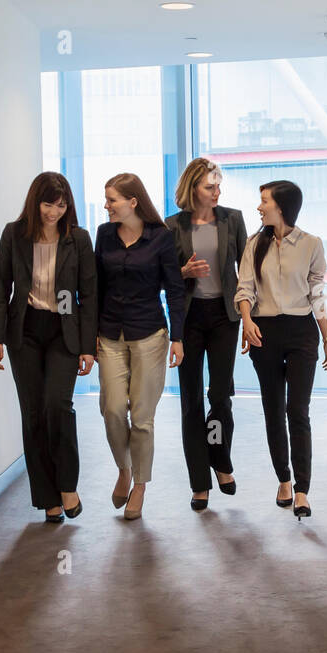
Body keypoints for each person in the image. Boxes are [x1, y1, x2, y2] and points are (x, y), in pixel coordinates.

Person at [0, 172, 96, 524]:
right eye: (48, 203)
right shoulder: (14, 234)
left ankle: (67, 486)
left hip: (64, 329)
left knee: (57, 405)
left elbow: (89, 294)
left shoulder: (78, 239)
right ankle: (47, 497)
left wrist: (88, 345)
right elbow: (1, 286)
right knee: (33, 413)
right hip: (26, 330)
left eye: (61, 205)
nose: (54, 212)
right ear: (36, 202)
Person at [235, 180, 327, 520]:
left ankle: (303, 489)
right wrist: (246, 322)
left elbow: (317, 295)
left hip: (301, 331)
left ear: (282, 207)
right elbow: (244, 287)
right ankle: (284, 479)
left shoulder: (311, 244)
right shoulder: (254, 244)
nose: (259, 207)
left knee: (298, 409)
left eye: (264, 202)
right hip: (264, 331)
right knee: (273, 408)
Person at [94, 172, 185, 520]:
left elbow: (174, 289)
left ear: (133, 202)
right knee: (113, 409)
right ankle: (124, 468)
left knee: (142, 418)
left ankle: (141, 486)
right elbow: (95, 288)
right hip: (110, 334)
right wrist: (90, 335)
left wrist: (178, 337)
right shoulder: (104, 235)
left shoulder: (161, 238)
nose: (107, 206)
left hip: (150, 335)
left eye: (112, 200)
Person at [165, 158, 247, 511]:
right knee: (190, 402)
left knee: (220, 395)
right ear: (192, 189)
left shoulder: (233, 219)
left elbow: (246, 274)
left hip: (224, 317)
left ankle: (221, 460)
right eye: (209, 187)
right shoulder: (173, 226)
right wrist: (183, 270)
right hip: (189, 318)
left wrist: (249, 319)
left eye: (218, 186)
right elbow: (166, 280)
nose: (217, 192)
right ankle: (199, 482)